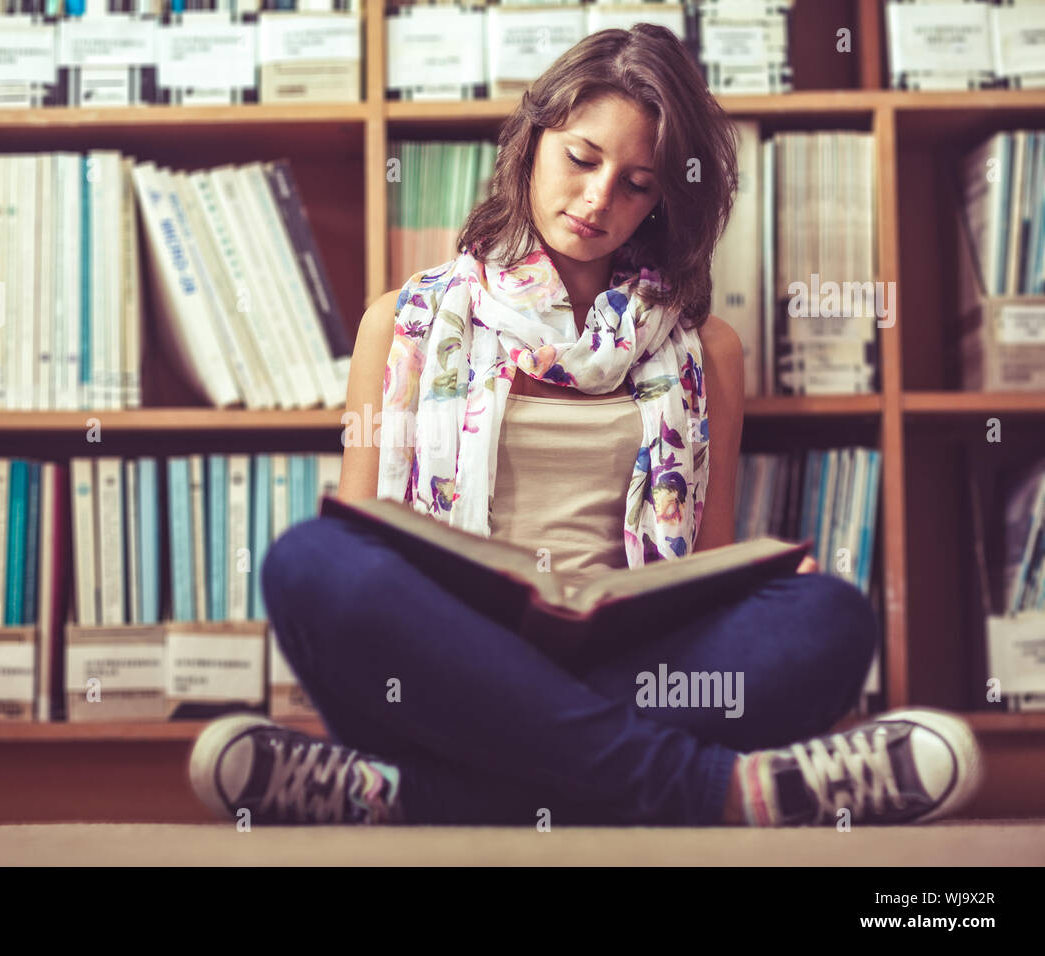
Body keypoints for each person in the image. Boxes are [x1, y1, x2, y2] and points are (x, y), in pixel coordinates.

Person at [188, 25, 983, 827]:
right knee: (312, 563)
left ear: (664, 198)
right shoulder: (401, 323)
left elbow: (704, 575)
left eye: (638, 183)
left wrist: (765, 590)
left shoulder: (708, 350)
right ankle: (717, 791)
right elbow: (369, 547)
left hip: (633, 668)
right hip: (452, 663)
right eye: (581, 159)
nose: (601, 198)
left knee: (829, 622)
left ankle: (416, 795)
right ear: (533, 141)